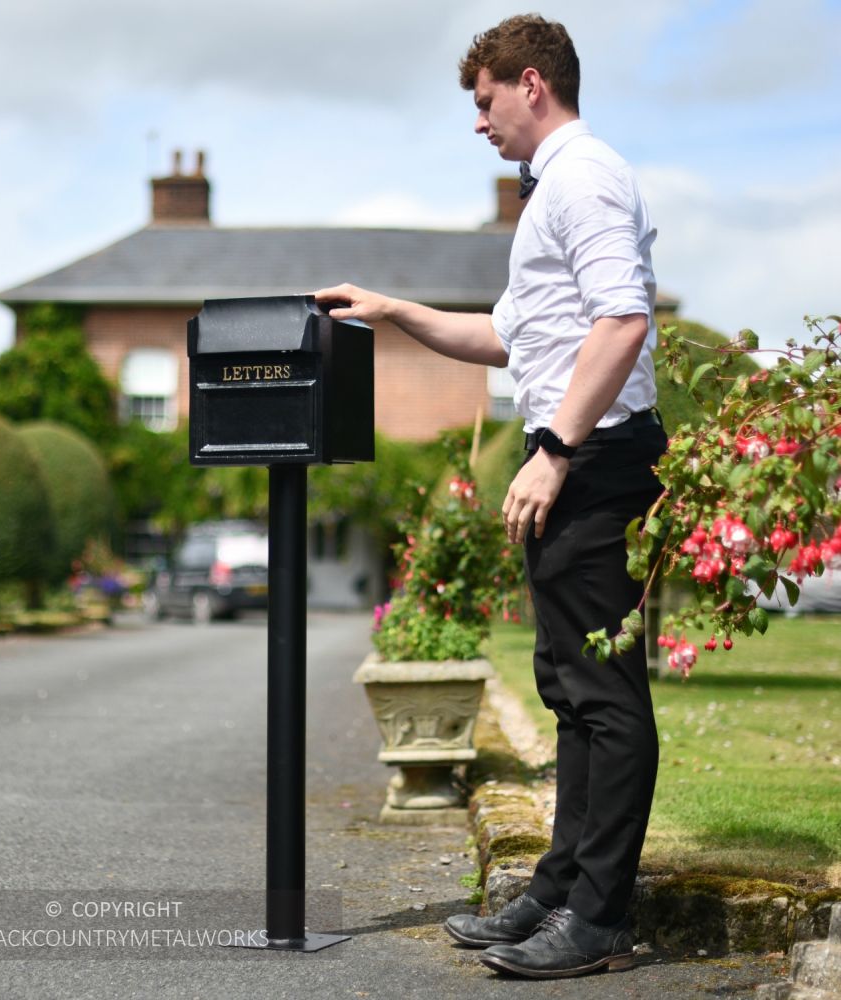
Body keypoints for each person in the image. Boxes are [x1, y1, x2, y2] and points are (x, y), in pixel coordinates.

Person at [315, 13, 666, 981]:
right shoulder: (551, 191)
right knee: (566, 684)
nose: (478, 123)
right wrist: (391, 309)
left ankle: (597, 918)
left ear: (529, 84)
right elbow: (509, 338)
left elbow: (623, 319)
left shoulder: (584, 176)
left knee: (602, 694)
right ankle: (559, 887)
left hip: (593, 459)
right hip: (576, 454)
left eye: (482, 102)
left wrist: (552, 447)